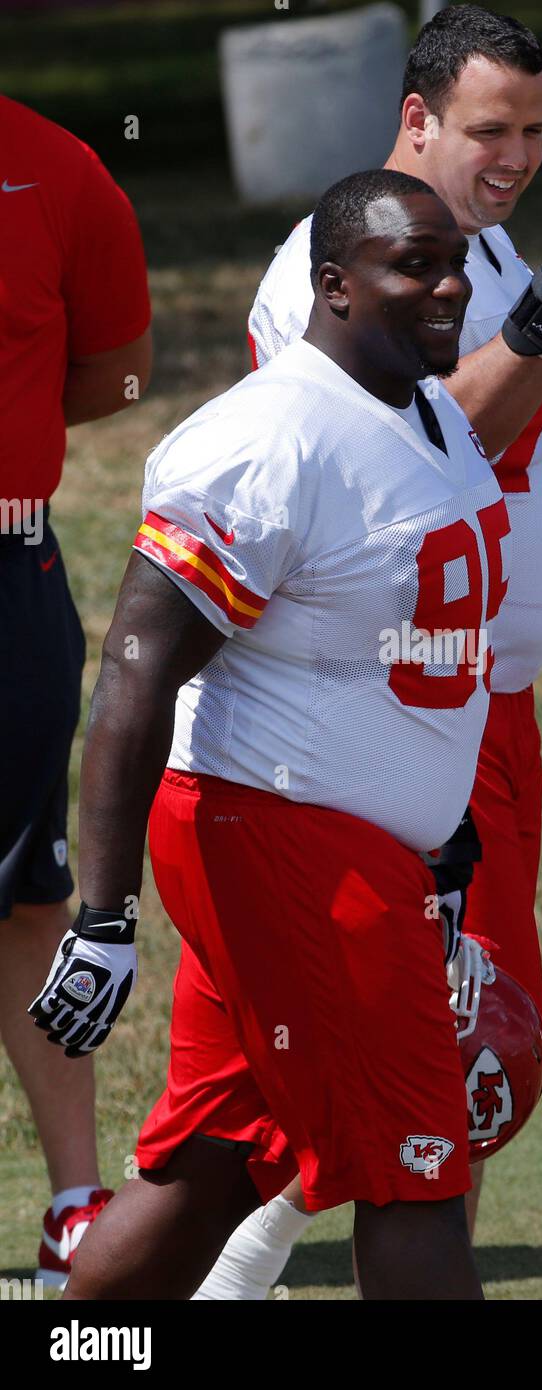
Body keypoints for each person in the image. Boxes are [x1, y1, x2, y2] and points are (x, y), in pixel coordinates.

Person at [196, 4, 542, 1299]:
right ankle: (243, 1261)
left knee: (459, 1030)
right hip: (372, 709)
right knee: (437, 1033)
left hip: (482, 703)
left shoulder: (491, 256)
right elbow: (406, 454)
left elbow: (521, 491)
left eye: (535, 133)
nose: (513, 156)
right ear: (415, 121)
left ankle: (263, 1254)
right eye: (487, 129)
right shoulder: (330, 267)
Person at [30, 169, 513, 1301]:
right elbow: (136, 671)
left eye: (453, 261)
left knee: (210, 1168)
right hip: (283, 842)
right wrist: (103, 917)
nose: (448, 284)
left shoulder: (425, 406)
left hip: (340, 848)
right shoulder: (267, 438)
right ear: (333, 285)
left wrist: (438, 840)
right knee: (417, 1178)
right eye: (414, 265)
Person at [0, 93, 152, 1286]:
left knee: (23, 887)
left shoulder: (55, 168)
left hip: (9, 559)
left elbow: (118, 369)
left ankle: (72, 1206)